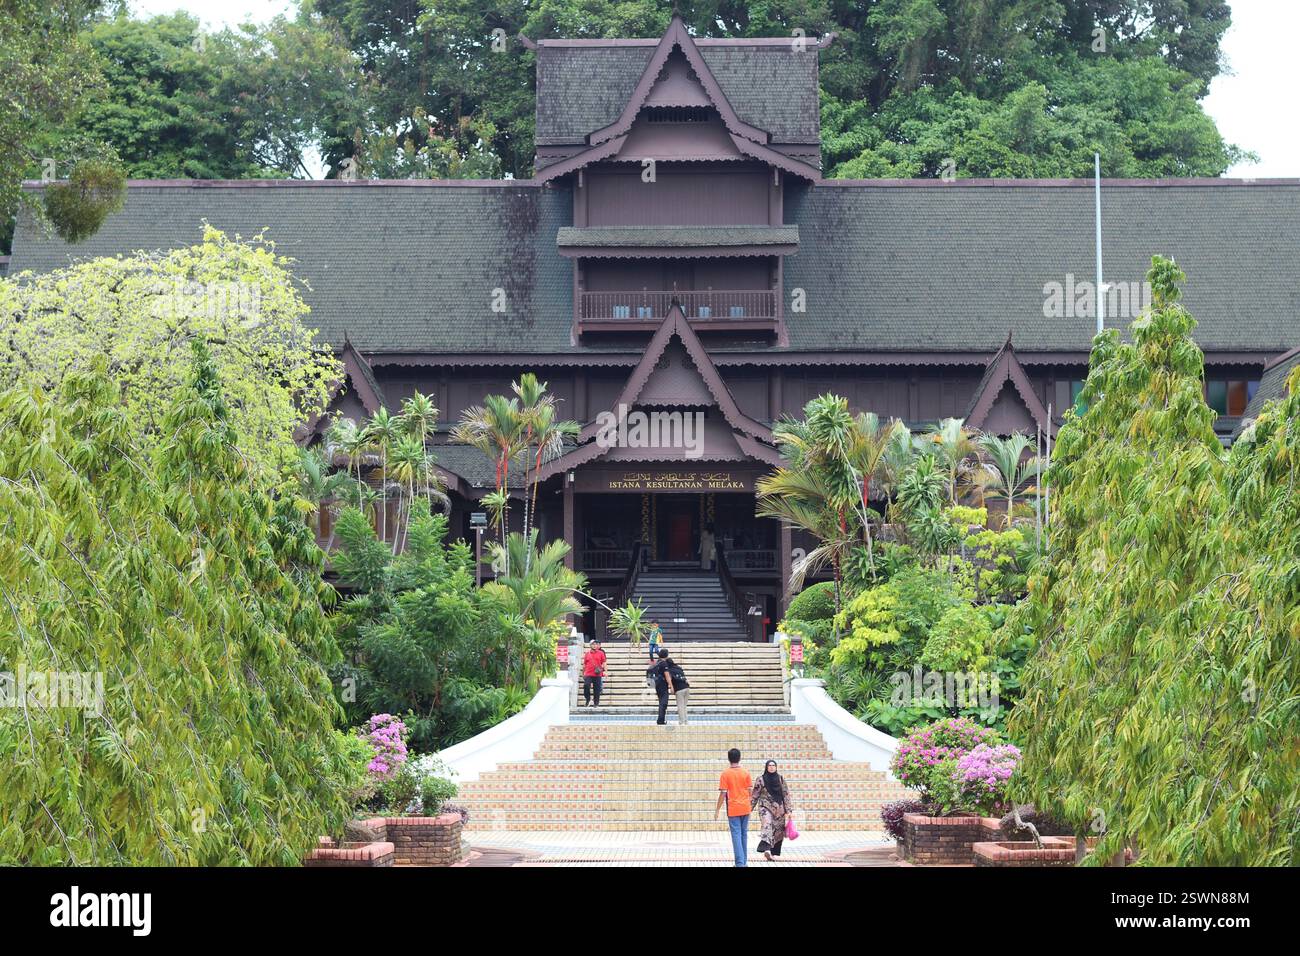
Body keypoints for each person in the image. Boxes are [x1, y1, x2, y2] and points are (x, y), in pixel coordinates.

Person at [714, 748, 752, 867]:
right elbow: (750, 790)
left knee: (736, 834)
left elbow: (723, 793)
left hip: (733, 808)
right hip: (745, 807)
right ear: (739, 758)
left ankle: (740, 863)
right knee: (743, 834)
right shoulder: (746, 773)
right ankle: (744, 862)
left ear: (729, 759)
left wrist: (717, 809)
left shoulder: (725, 774)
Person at [751, 759, 794, 861]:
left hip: (779, 809)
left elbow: (786, 795)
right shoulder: (760, 780)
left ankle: (773, 853)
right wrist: (749, 808)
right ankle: (766, 849)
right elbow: (755, 795)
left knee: (778, 830)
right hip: (765, 808)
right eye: (769, 765)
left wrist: (789, 810)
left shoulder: (780, 779)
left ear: (776, 767)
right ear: (766, 767)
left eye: (773, 765)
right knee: (767, 825)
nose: (771, 767)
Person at [645, 647, 685, 725]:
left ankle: (661, 719)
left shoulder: (657, 662)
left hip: (657, 685)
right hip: (663, 685)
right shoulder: (663, 663)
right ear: (666, 655)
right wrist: (671, 686)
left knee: (661, 702)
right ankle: (660, 720)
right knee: (663, 703)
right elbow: (667, 676)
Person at [582, 639, 606, 707]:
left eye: (596, 644)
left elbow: (604, 662)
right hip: (588, 673)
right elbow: (584, 664)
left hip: (597, 674)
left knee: (597, 689)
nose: (595, 645)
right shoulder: (587, 653)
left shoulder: (601, 653)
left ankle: (596, 703)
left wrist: (605, 671)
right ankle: (588, 699)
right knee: (586, 686)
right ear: (590, 645)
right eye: (593, 644)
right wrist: (583, 673)